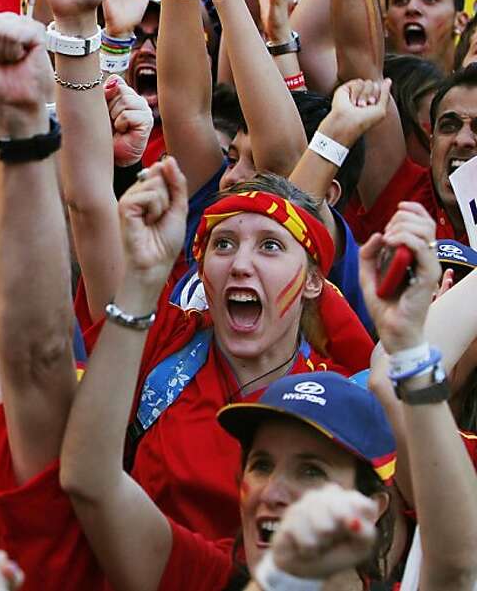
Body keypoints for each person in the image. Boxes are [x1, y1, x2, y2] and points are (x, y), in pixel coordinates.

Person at [61, 158, 477, 591]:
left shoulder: (344, 399)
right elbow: (88, 477)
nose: (273, 492)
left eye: (312, 471)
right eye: (259, 465)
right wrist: (142, 281)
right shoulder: (210, 574)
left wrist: (408, 347)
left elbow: (458, 558)